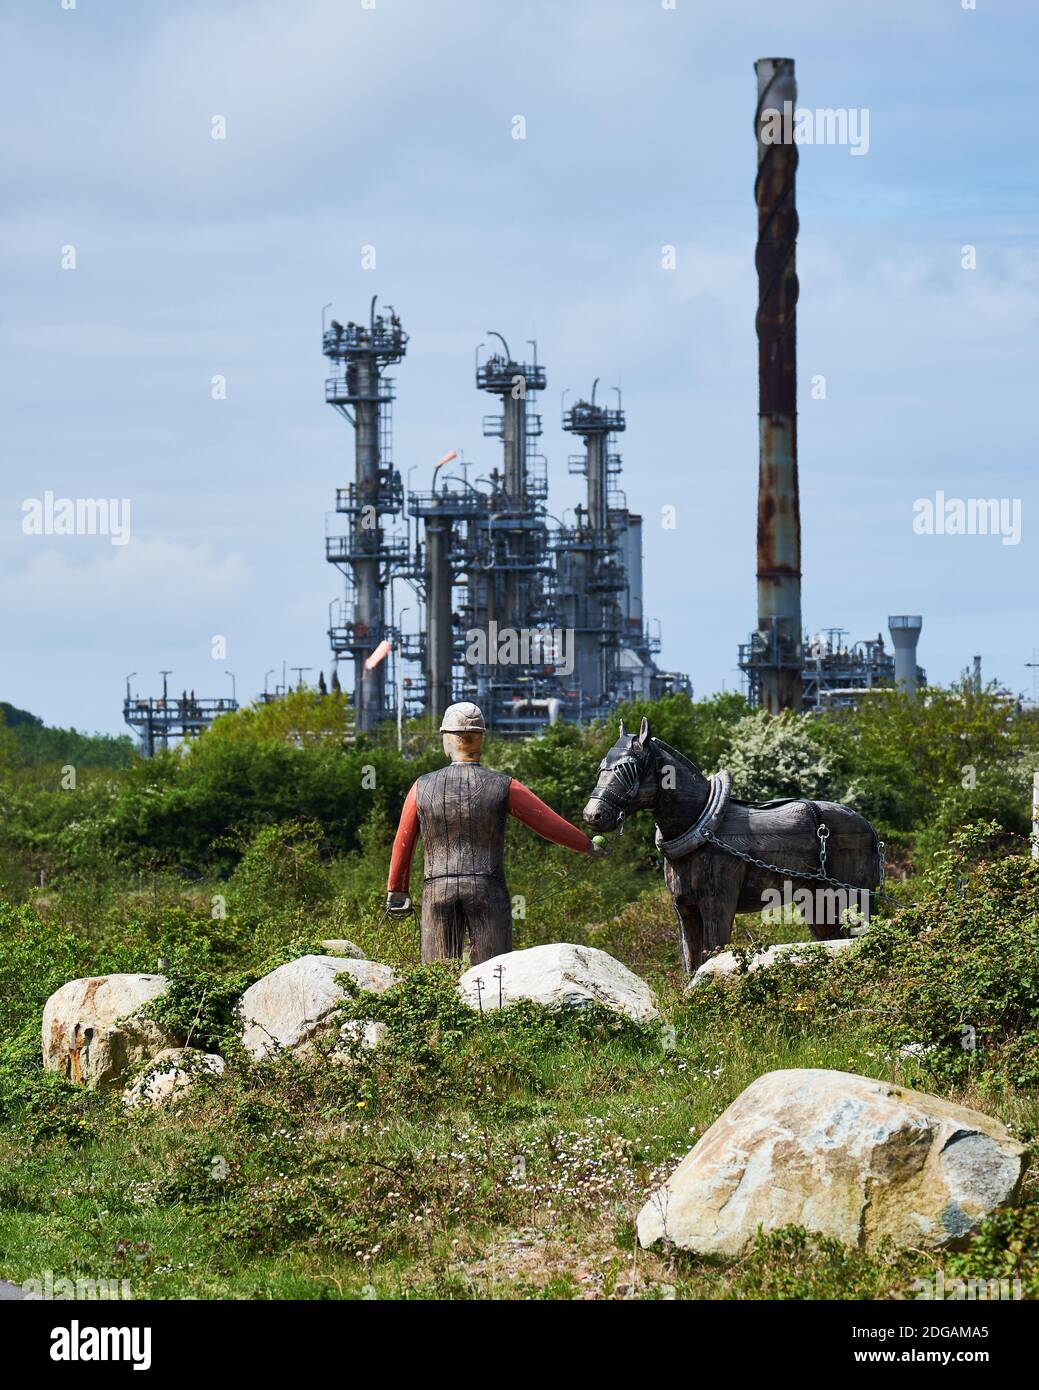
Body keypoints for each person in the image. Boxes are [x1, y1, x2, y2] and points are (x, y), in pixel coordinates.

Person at [385, 701, 605, 964]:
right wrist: (587, 845)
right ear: (480, 739)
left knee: (437, 974)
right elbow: (546, 822)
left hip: (437, 888)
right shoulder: (504, 785)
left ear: (448, 739)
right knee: (494, 974)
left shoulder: (421, 787)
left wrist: (397, 889)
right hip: (487, 888)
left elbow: (404, 839)